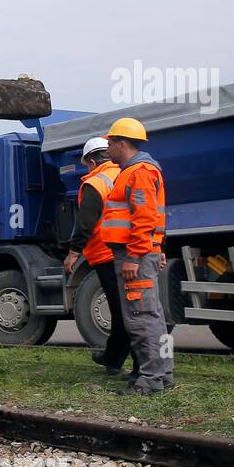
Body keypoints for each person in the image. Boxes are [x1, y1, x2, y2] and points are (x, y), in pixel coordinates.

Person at [99, 117, 174, 396]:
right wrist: (156, 249)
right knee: (152, 317)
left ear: (122, 143)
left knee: (141, 318)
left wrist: (134, 256)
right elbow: (153, 219)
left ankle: (151, 379)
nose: (107, 148)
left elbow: (144, 218)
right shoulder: (136, 171)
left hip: (135, 255)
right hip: (143, 252)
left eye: (110, 143)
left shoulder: (138, 172)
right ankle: (162, 374)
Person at [63, 137, 133, 379]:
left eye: (86, 165)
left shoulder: (95, 182)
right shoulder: (126, 174)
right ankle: (114, 357)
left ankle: (124, 361)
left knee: (121, 309)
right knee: (129, 307)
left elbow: (85, 223)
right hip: (129, 251)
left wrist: (73, 252)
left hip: (106, 253)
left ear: (92, 162)